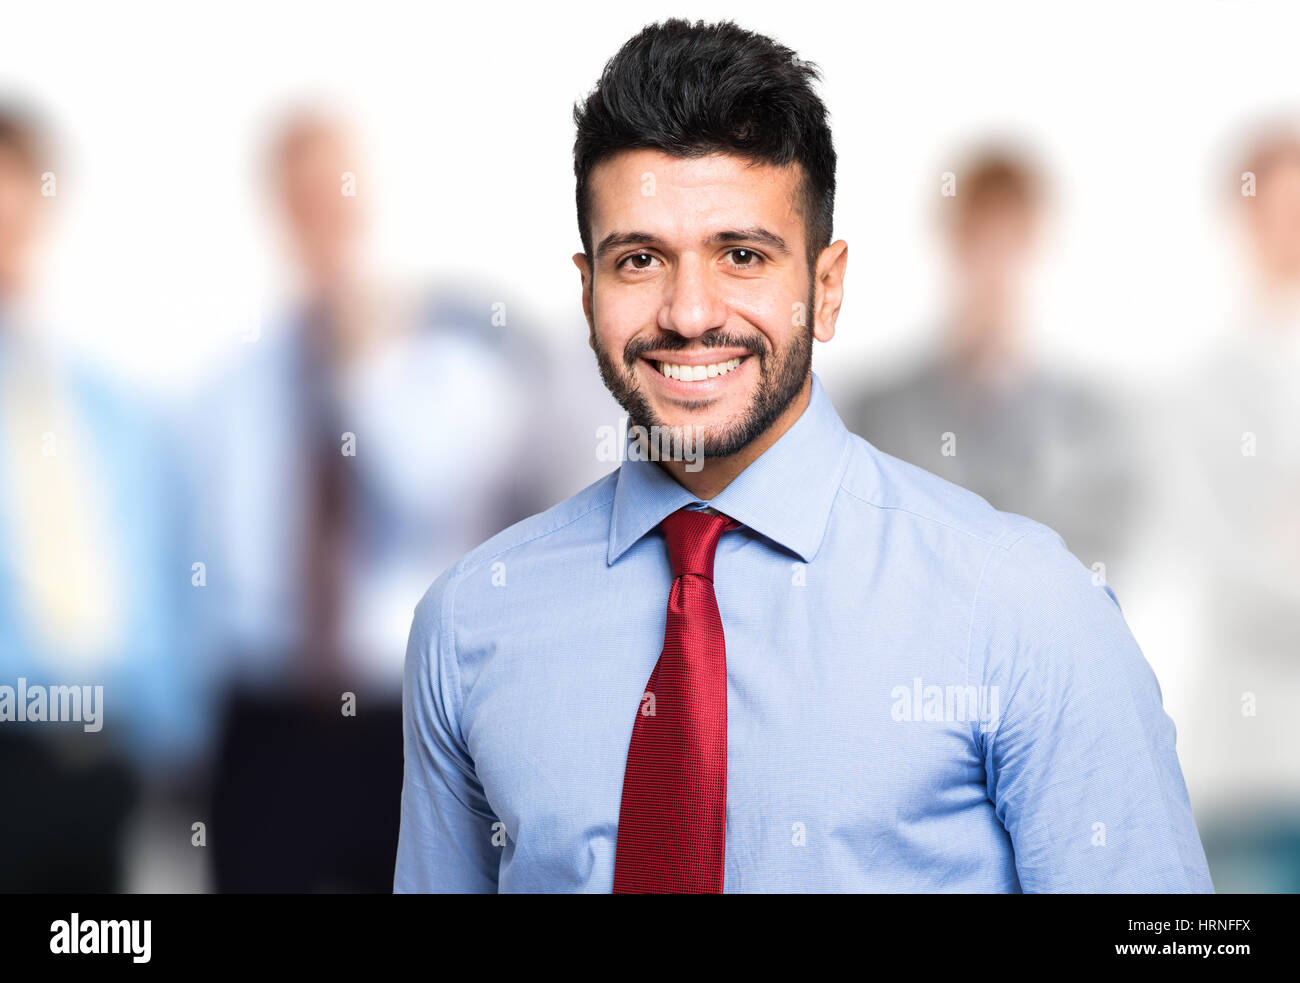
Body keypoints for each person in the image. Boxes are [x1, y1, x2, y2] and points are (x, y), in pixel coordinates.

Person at [394, 18, 1212, 893]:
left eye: (742, 255)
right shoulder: (471, 624)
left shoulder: (1023, 608)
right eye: (639, 260)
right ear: (589, 289)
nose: (690, 311)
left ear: (825, 289)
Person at [195, 107, 553, 891]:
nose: (320, 217)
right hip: (267, 724)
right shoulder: (234, 384)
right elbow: (213, 566)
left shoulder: (444, 366)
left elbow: (429, 489)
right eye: (301, 195)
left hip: (403, 724)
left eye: (335, 193)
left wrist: (364, 367)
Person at [844, 147, 1138, 582]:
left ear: (1035, 241)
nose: (994, 262)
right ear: (951, 238)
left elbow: (1102, 560)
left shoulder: (1091, 420)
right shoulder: (879, 414)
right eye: (979, 236)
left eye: (1009, 237)